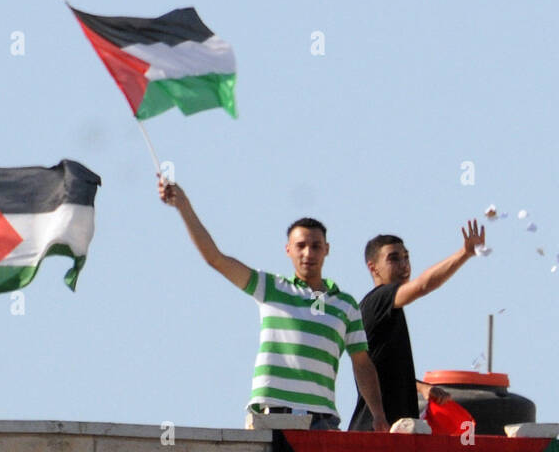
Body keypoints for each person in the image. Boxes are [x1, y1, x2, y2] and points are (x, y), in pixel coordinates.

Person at [158, 179, 389, 431]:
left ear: (327, 250)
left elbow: (362, 362)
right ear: (288, 249)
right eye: (300, 246)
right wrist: (184, 206)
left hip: (322, 420)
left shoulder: (345, 305)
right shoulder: (271, 288)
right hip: (271, 416)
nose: (308, 253)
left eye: (315, 246)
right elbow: (216, 259)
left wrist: (377, 414)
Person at [348, 221, 485, 431]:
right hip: (376, 431)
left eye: (406, 257)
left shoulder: (387, 310)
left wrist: (423, 388)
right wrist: (464, 254)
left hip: (395, 432)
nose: (404, 265)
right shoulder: (379, 300)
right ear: (372, 267)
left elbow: (386, 376)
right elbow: (423, 285)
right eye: (394, 259)